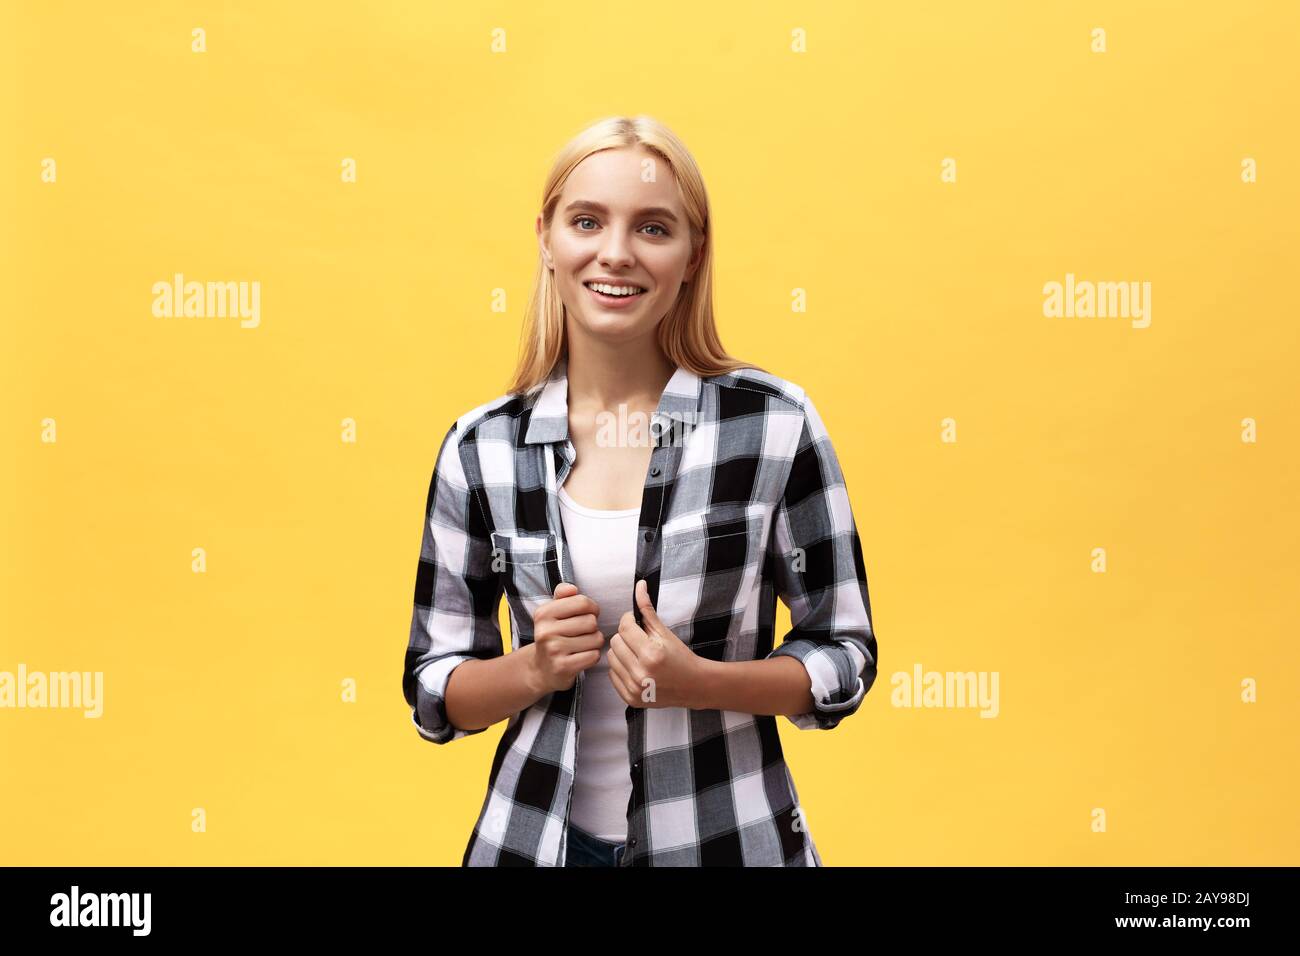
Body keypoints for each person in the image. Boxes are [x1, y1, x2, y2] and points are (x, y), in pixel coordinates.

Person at [402, 115, 879, 866]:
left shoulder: (774, 426)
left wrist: (702, 682)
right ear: (547, 240)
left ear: (693, 254)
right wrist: (531, 668)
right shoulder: (480, 448)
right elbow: (435, 688)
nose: (615, 253)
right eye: (587, 221)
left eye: (654, 228)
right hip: (533, 845)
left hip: (727, 841)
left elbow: (843, 653)